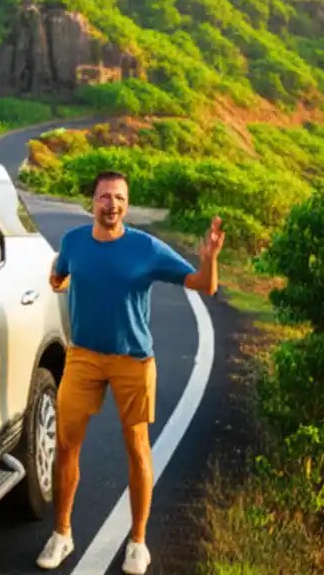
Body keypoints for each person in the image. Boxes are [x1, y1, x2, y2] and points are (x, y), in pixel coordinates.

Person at [36, 170, 224, 574]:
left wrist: (210, 259)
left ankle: (138, 541)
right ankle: (62, 533)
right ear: (93, 202)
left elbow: (203, 286)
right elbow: (59, 274)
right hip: (83, 357)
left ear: (127, 203)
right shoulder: (73, 242)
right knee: (67, 445)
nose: (112, 205)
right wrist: (58, 281)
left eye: (119, 198)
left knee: (138, 448)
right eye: (105, 197)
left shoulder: (146, 248)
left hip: (133, 360)